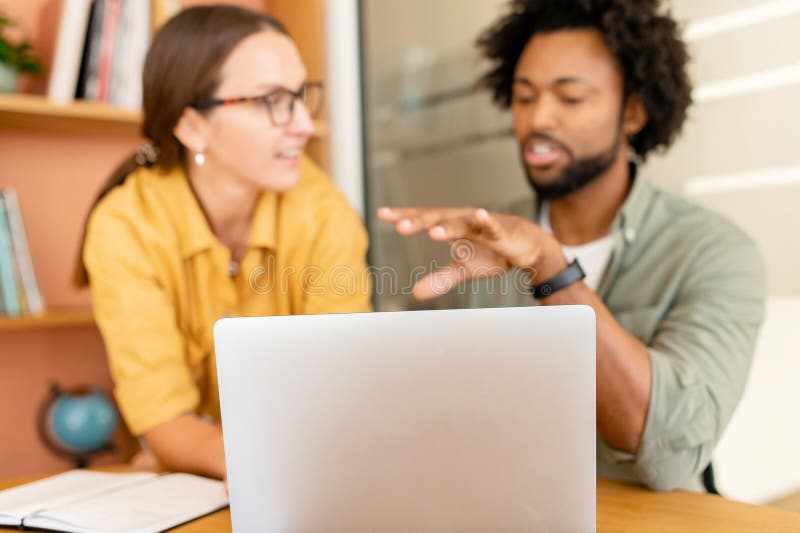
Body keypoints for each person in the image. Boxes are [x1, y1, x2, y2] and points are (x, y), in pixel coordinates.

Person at [378, 0, 766, 492]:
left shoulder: (715, 252)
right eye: (524, 97)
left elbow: (669, 456)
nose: (538, 118)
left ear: (633, 113)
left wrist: (550, 266)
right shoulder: (479, 244)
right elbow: (410, 414)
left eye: (571, 98)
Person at [76, 6, 371, 480]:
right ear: (192, 125)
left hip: (303, 469)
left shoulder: (323, 212)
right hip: (208, 479)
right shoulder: (125, 225)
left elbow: (340, 390)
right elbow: (164, 419)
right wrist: (259, 465)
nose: (303, 125)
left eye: (300, 96)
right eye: (271, 100)